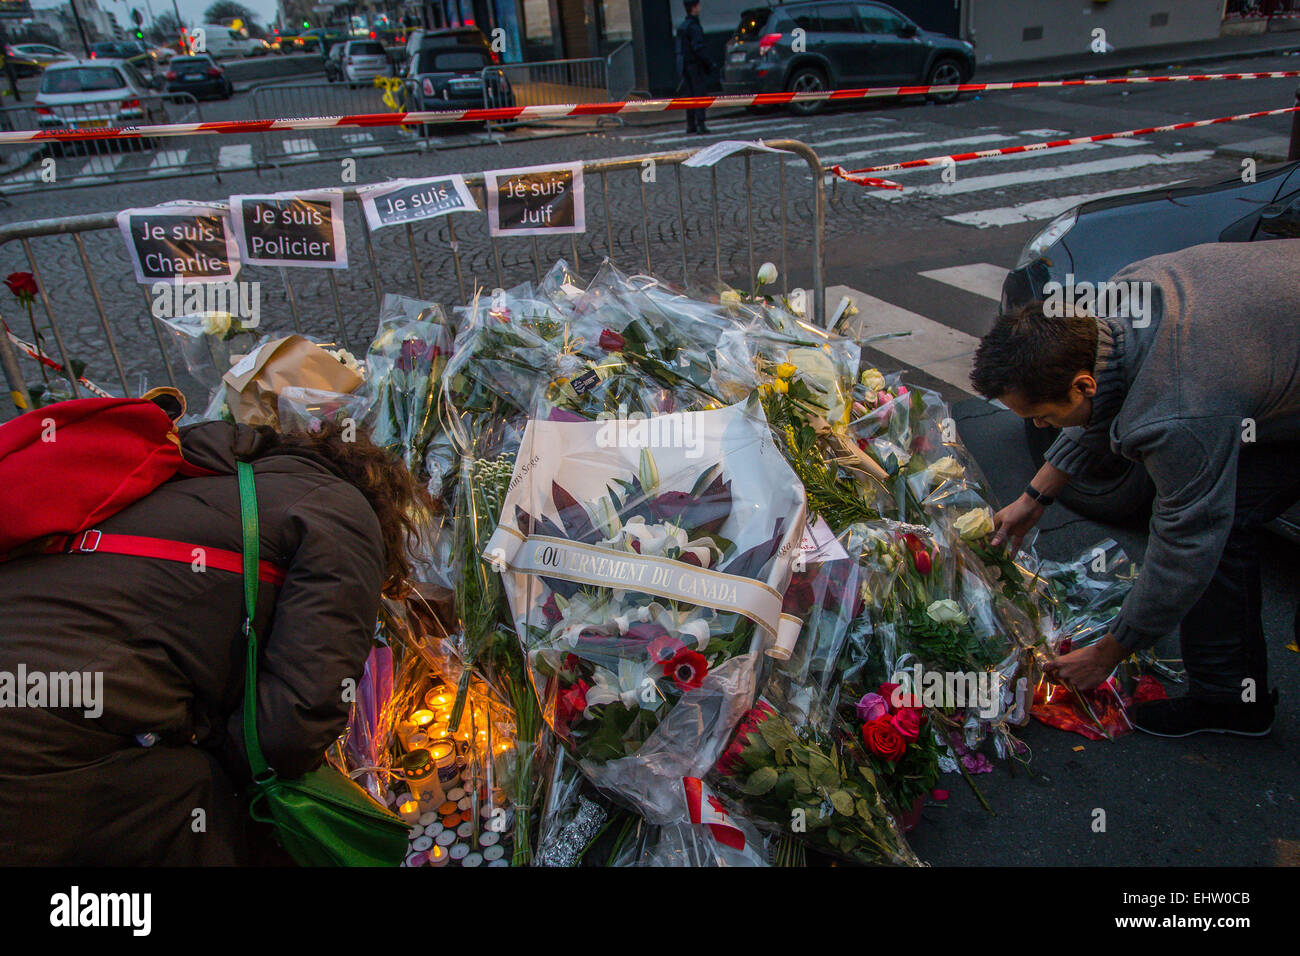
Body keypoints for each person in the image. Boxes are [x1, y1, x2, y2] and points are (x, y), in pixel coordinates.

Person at [0, 411, 428, 864]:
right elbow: (288, 730)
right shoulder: (342, 513)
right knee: (199, 801)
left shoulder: (189, 477)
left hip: (36, 702)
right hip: (34, 744)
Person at [969, 239, 1300, 738]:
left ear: (1080, 386)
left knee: (1211, 530)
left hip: (1250, 378)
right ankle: (1232, 697)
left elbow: (1185, 544)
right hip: (1264, 363)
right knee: (1229, 518)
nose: (1040, 428)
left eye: (1042, 416)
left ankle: (1227, 701)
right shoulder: (1112, 312)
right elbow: (1106, 400)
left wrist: (1108, 652)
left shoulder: (1178, 409)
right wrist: (1034, 498)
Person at [677, 0, 714, 135]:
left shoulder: (683, 26)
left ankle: (691, 124)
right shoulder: (693, 26)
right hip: (695, 65)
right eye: (698, 5)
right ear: (694, 7)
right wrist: (709, 63)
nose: (700, 7)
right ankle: (700, 123)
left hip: (685, 65)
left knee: (690, 95)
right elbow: (699, 47)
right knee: (699, 94)